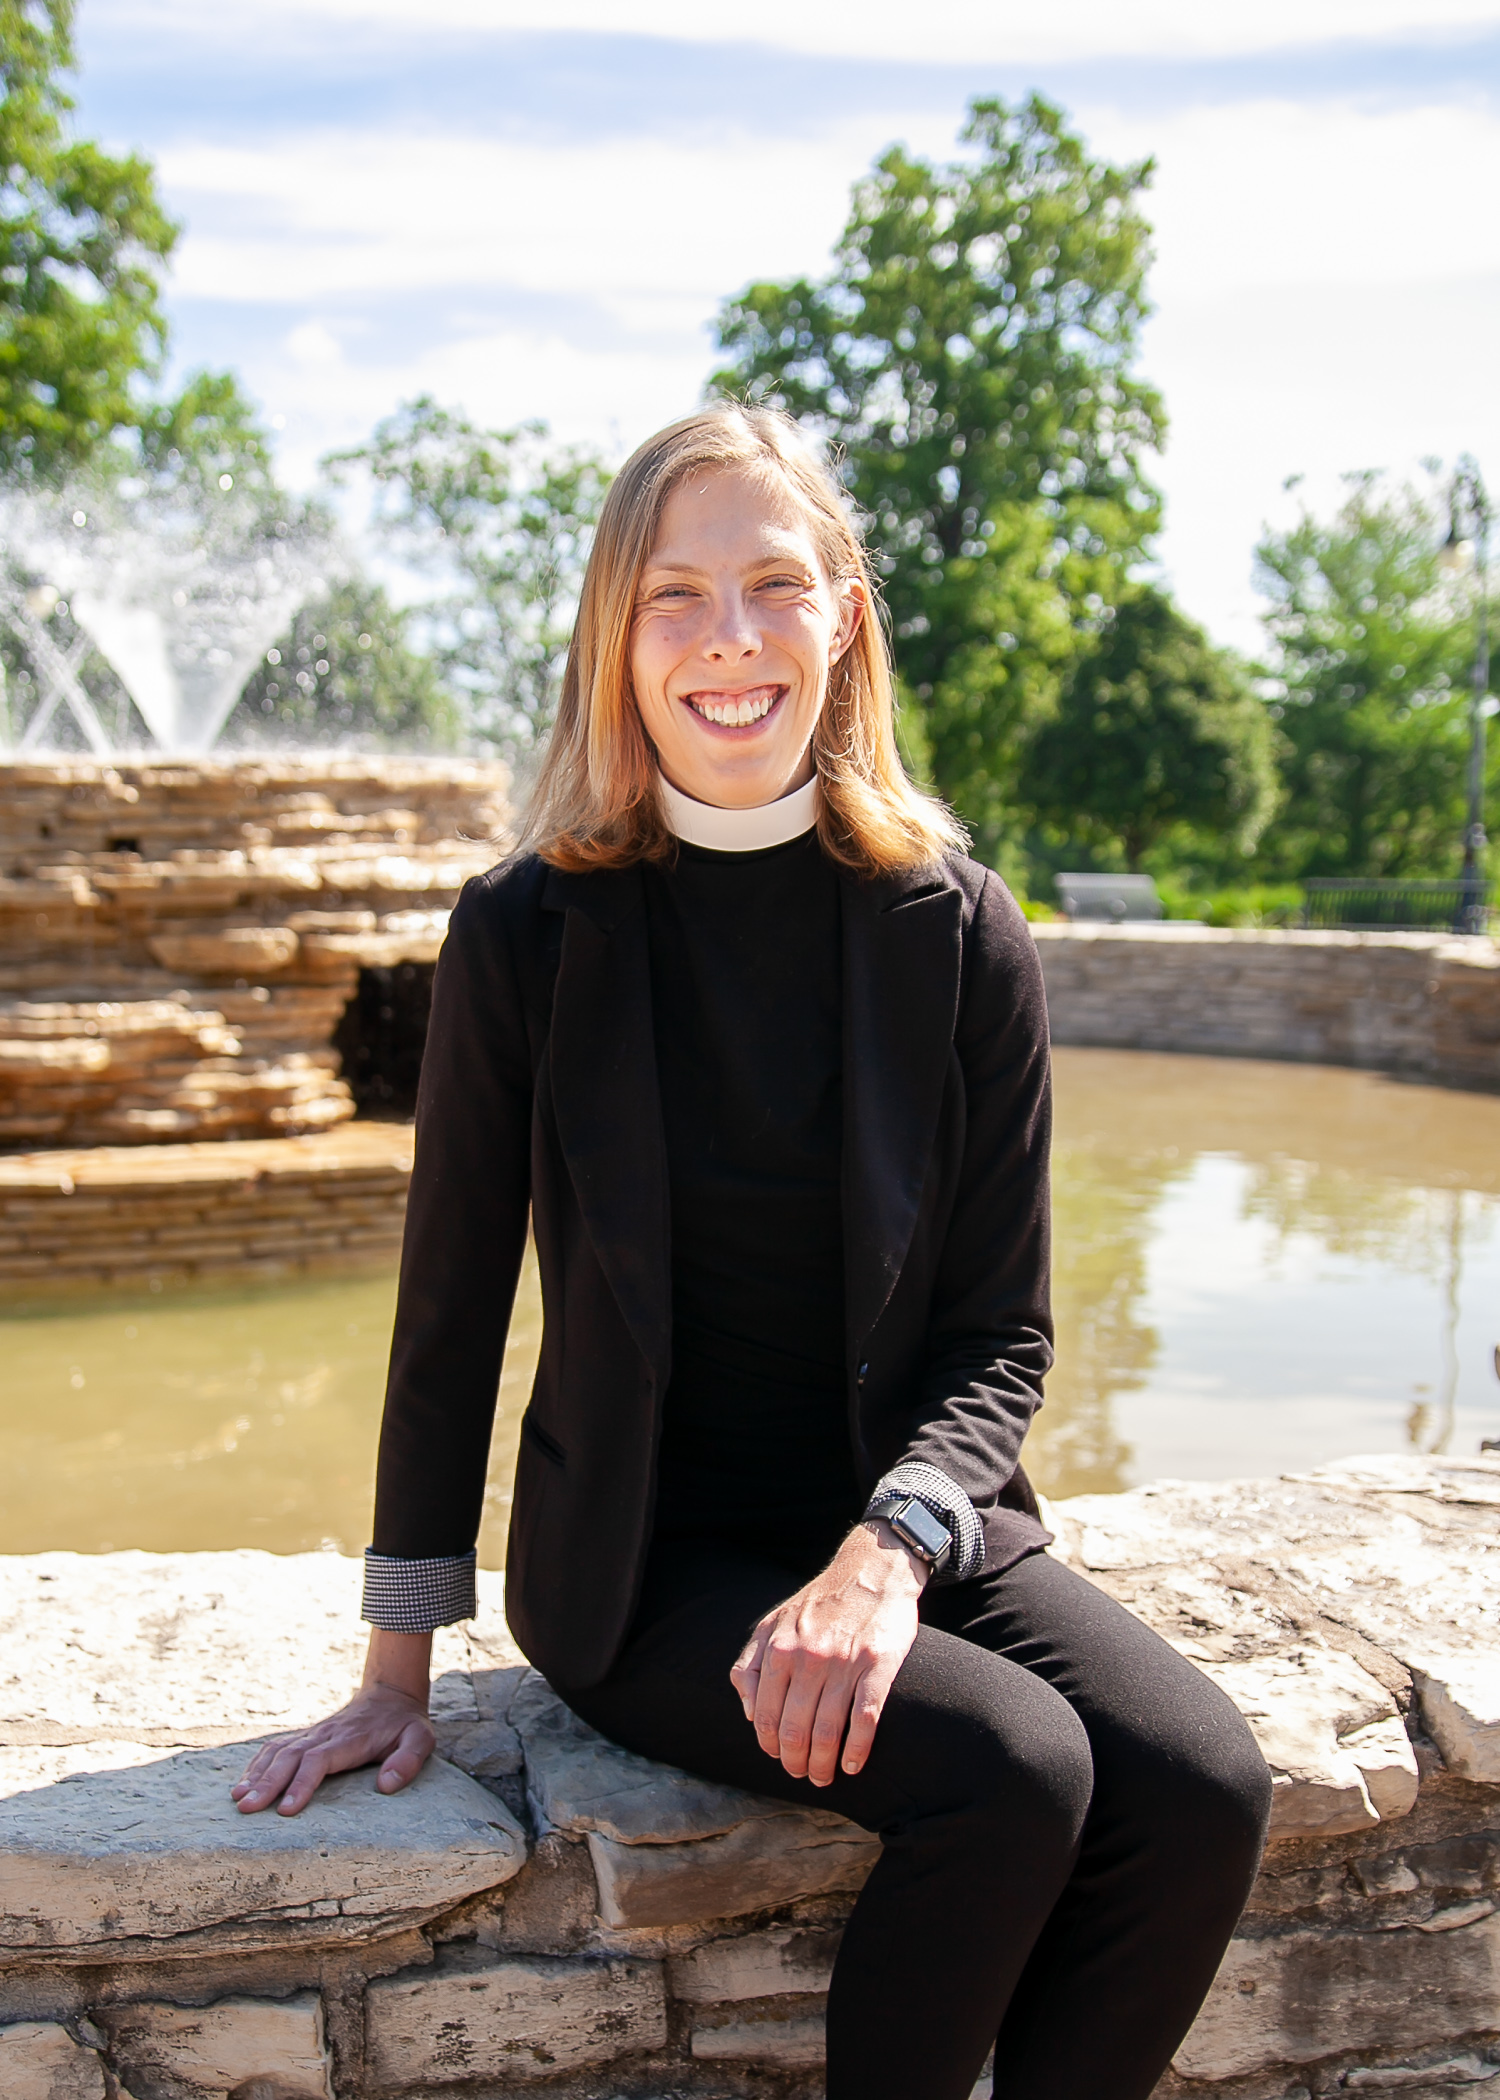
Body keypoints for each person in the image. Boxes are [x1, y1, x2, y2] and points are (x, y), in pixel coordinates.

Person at [232, 404, 1272, 2100]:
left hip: (913, 1524)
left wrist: (888, 1553)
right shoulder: (522, 935)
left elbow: (1002, 1333)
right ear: (615, 642)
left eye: (774, 585)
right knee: (1011, 1775)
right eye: (674, 596)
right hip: (651, 1563)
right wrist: (394, 1666)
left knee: (1203, 1783)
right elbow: (445, 1322)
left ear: (843, 614)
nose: (729, 638)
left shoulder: (961, 927)